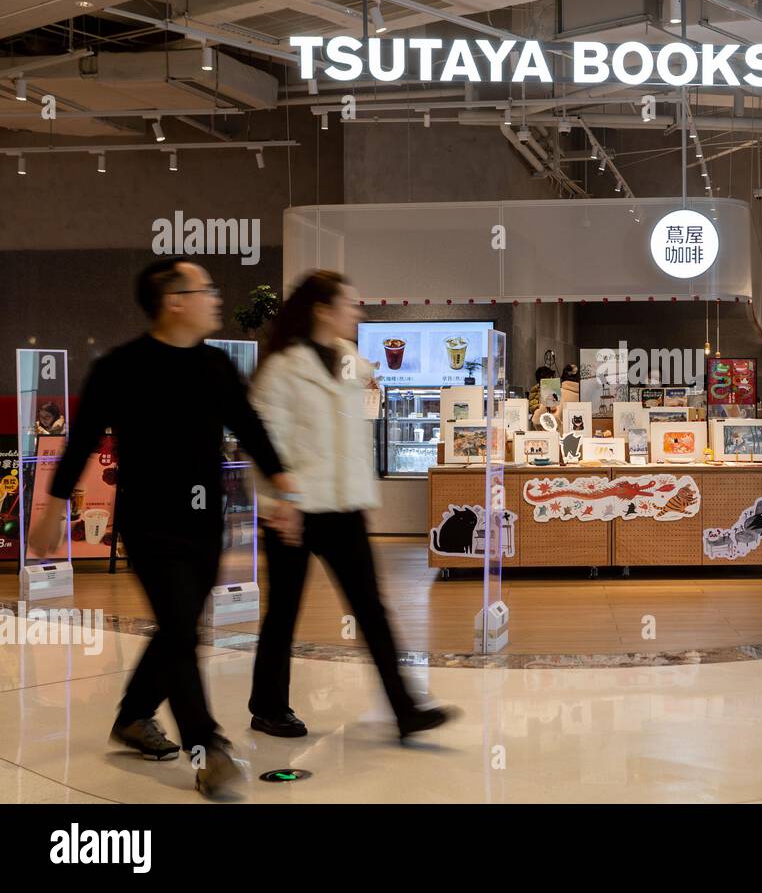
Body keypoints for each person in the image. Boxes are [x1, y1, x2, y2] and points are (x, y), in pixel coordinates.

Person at [27, 257, 301, 799]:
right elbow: (80, 439)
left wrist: (286, 494)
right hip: (149, 525)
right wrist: (54, 511)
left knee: (181, 628)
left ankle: (133, 716)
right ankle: (207, 749)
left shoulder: (217, 367)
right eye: (205, 289)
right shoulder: (121, 368)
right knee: (180, 630)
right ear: (174, 301)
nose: (216, 298)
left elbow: (251, 430)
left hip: (204, 522)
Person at [246, 270, 459, 740]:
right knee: (283, 610)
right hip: (294, 512)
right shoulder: (283, 368)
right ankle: (268, 706)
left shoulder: (347, 361)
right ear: (322, 310)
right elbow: (264, 443)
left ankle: (405, 709)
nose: (357, 312)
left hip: (342, 509)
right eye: (349, 304)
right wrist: (283, 502)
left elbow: (351, 430)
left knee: (371, 609)